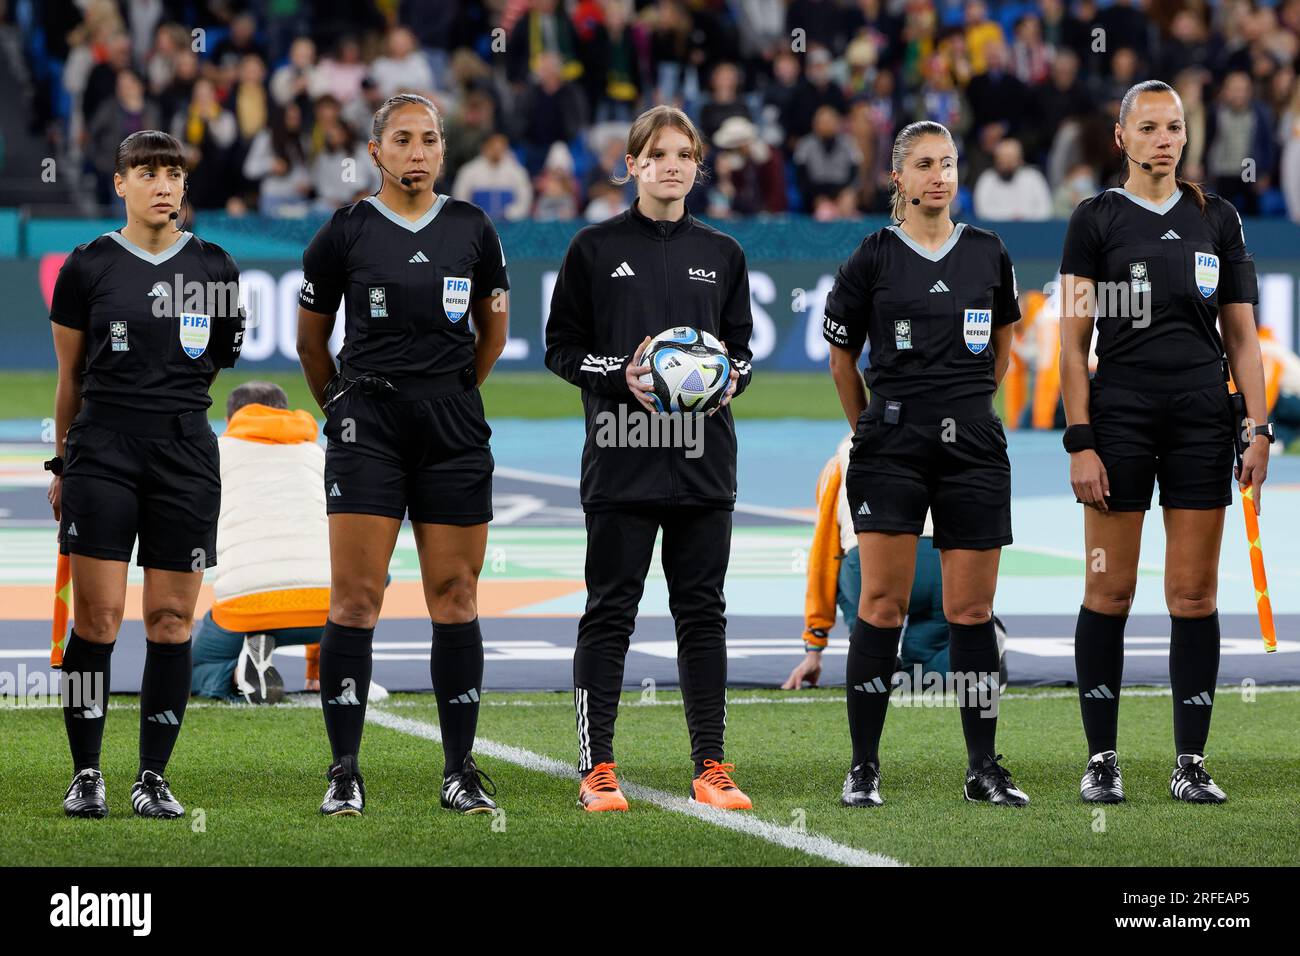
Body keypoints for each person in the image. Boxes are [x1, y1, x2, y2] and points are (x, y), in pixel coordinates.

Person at [296, 93, 510, 816]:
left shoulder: (474, 230)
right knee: (357, 599)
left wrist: (447, 395)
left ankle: (459, 770)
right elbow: (309, 341)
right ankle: (345, 771)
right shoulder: (346, 231)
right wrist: (346, 408)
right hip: (368, 428)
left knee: (455, 596)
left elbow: (492, 334)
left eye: (429, 140)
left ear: (442, 151)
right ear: (377, 150)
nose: (417, 152)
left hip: (453, 429)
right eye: (403, 140)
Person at [1059, 80, 1270, 805]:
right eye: (1148, 127)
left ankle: (1190, 763)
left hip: (1202, 420)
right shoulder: (1095, 219)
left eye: (1174, 127)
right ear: (1121, 137)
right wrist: (1080, 439)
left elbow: (1241, 336)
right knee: (1108, 589)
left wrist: (1260, 424)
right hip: (1118, 419)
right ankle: (1102, 759)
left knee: (1194, 593)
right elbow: (1072, 338)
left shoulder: (1220, 218)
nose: (1164, 139)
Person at [545, 105, 754, 812]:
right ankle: (596, 766)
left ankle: (712, 765)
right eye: (656, 153)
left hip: (703, 464)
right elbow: (561, 348)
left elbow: (742, 354)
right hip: (622, 460)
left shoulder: (723, 253)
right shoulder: (593, 249)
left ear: (699, 166)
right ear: (630, 165)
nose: (672, 165)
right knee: (611, 612)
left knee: (704, 614)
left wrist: (731, 378)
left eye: (684, 154)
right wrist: (619, 374)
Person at [823, 119, 1028, 808]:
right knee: (882, 607)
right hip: (893, 446)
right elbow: (842, 358)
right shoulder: (873, 255)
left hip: (973, 445)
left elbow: (1003, 347)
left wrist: (967, 407)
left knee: (972, 609)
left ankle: (981, 768)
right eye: (924, 165)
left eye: (948, 163)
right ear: (898, 179)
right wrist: (872, 430)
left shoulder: (989, 253)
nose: (939, 175)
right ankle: (863, 767)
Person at [47, 129, 246, 819]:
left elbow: (216, 360)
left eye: (173, 173)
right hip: (103, 450)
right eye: (147, 172)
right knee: (97, 620)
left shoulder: (216, 268)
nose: (163, 184)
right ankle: (86, 773)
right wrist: (63, 461)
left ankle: (153, 777)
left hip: (185, 453)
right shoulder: (88, 265)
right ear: (120, 183)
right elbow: (70, 377)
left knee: (169, 622)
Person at [782, 436, 1009, 693]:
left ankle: (883, 664)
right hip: (940, 558)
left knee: (875, 659)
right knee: (923, 673)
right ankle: (985, 650)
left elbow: (824, 556)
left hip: (873, 564)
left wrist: (815, 645)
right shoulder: (950, 436)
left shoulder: (844, 453)